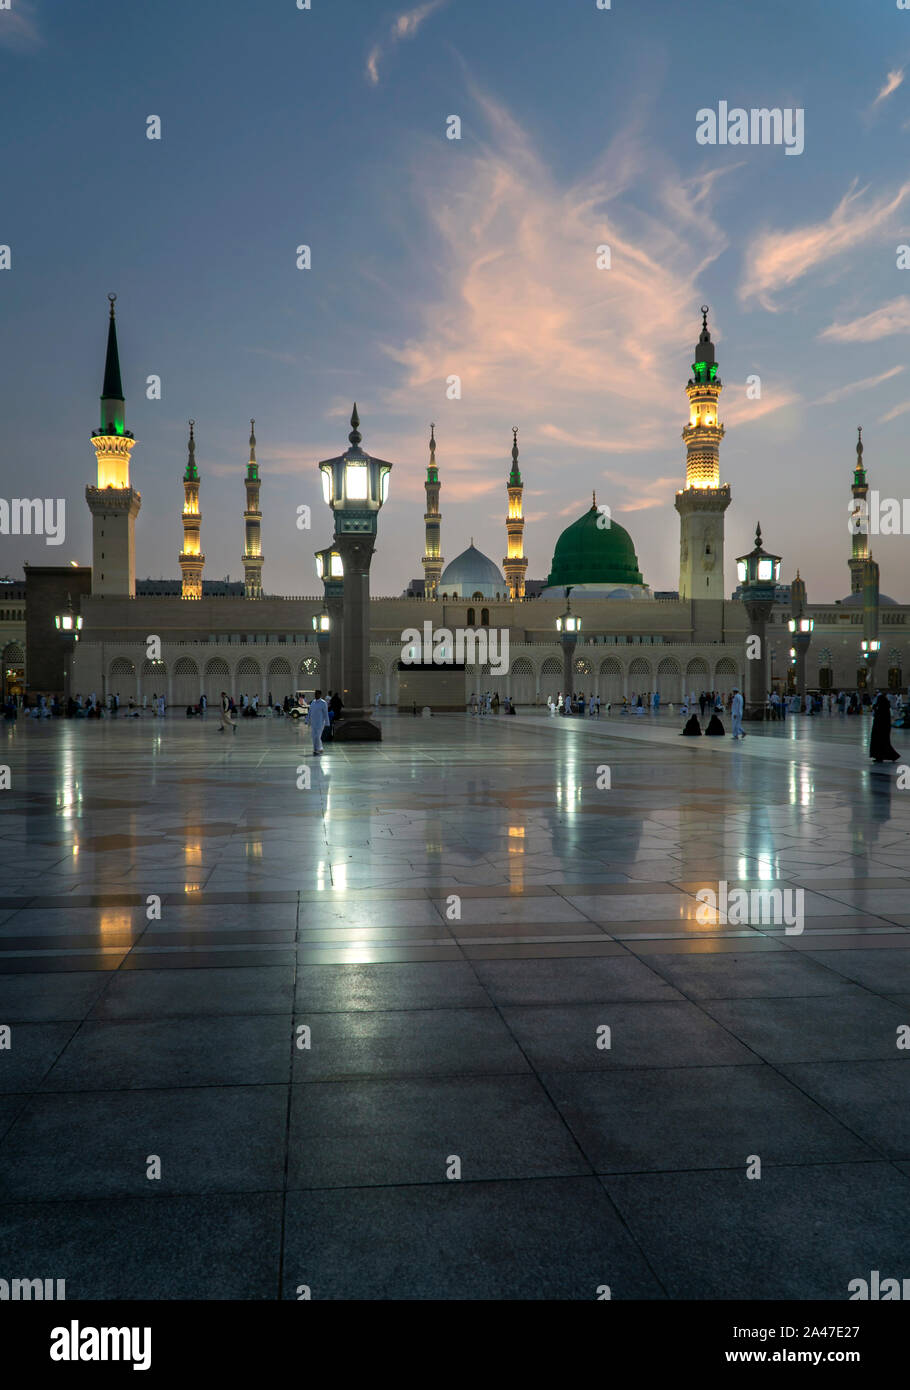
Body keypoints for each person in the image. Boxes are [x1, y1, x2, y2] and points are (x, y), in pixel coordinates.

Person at [870, 691, 900, 763]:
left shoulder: (882, 710)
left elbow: (879, 719)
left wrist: (875, 709)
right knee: (884, 744)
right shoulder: (884, 709)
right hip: (882, 730)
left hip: (880, 731)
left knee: (882, 744)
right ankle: (880, 757)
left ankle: (881, 756)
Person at [307, 689, 329, 755]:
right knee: (314, 736)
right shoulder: (313, 702)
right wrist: (307, 720)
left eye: (317, 694)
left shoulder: (323, 703)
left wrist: (327, 723)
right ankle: (320, 748)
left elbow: (325, 713)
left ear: (320, 695)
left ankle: (316, 750)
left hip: (320, 723)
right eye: (315, 694)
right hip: (313, 723)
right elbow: (310, 712)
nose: (315, 695)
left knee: (317, 736)